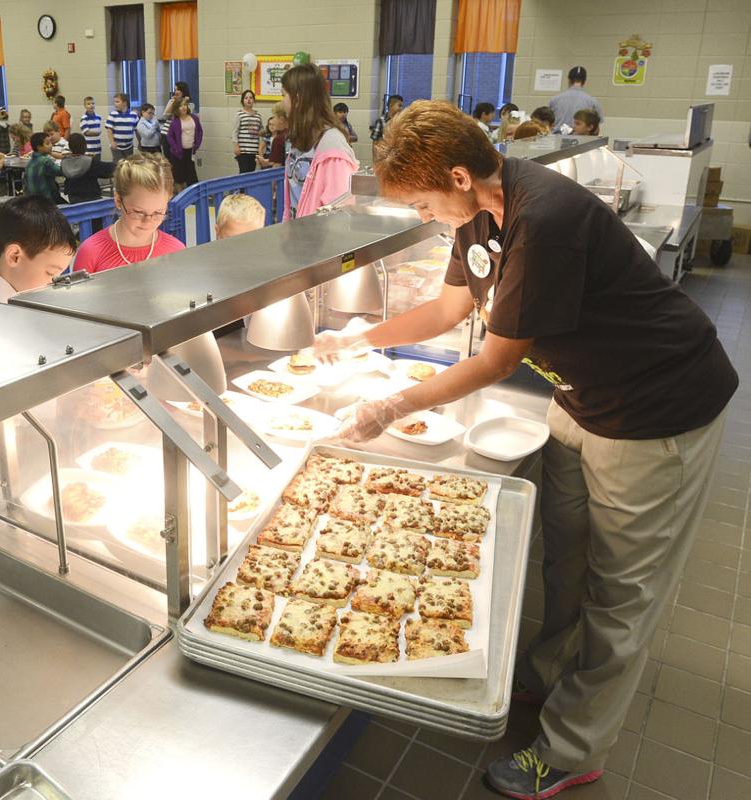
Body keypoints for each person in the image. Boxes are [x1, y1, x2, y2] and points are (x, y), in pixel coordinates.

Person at [316, 100, 736, 800]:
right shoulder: (478, 210)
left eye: (423, 202)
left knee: (620, 592)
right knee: (565, 555)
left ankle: (573, 750)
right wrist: (355, 339)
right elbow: (450, 311)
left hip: (656, 408)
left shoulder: (545, 219)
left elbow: (491, 359)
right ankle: (550, 681)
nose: (423, 216)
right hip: (579, 398)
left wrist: (392, 405)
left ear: (457, 176)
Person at [73, 152, 182, 274]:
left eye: (158, 212)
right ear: (118, 200)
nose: (148, 221)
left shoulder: (177, 251)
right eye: (138, 212)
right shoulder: (90, 252)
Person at [281, 63, 359, 219]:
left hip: (316, 238)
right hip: (297, 235)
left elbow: (339, 210)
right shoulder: (301, 137)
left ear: (297, 99)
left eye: (283, 95)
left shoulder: (332, 144)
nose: (281, 102)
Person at [61, 133, 116, 204]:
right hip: (93, 200)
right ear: (85, 146)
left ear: (70, 147)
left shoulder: (64, 162)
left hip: (73, 200)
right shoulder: (90, 162)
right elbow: (108, 170)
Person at [550, 66, 603, 133]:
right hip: (580, 141)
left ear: (569, 80)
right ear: (584, 81)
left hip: (556, 139)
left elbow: (549, 124)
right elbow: (597, 128)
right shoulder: (593, 102)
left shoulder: (555, 100)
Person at [166, 97, 203, 191]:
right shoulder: (175, 121)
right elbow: (169, 136)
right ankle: (181, 197)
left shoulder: (194, 118)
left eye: (185, 105)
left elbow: (199, 131)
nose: (183, 107)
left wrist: (197, 144)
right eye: (180, 106)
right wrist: (175, 148)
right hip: (178, 153)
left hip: (190, 151)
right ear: (176, 108)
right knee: (179, 177)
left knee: (192, 176)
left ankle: (194, 198)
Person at [23, 132, 63, 203]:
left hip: (32, 201)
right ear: (39, 147)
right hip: (46, 200)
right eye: (47, 143)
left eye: (50, 143)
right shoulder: (45, 161)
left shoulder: (29, 163)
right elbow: (61, 171)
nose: (51, 145)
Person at [105, 93, 138, 161]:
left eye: (117, 102)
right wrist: (112, 142)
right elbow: (109, 130)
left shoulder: (133, 115)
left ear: (125, 103)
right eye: (114, 102)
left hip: (129, 147)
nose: (115, 104)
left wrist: (140, 141)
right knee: (119, 165)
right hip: (117, 147)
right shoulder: (112, 115)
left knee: (128, 164)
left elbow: (137, 130)